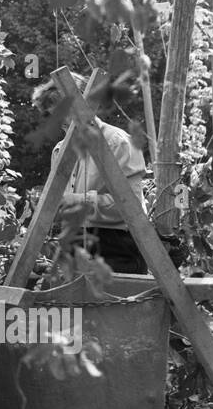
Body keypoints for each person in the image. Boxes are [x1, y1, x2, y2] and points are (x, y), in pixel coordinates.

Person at [42, 72, 149, 273]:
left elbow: (130, 206)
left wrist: (75, 201)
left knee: (112, 303)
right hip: (75, 244)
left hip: (115, 246)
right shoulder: (59, 151)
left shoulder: (118, 142)